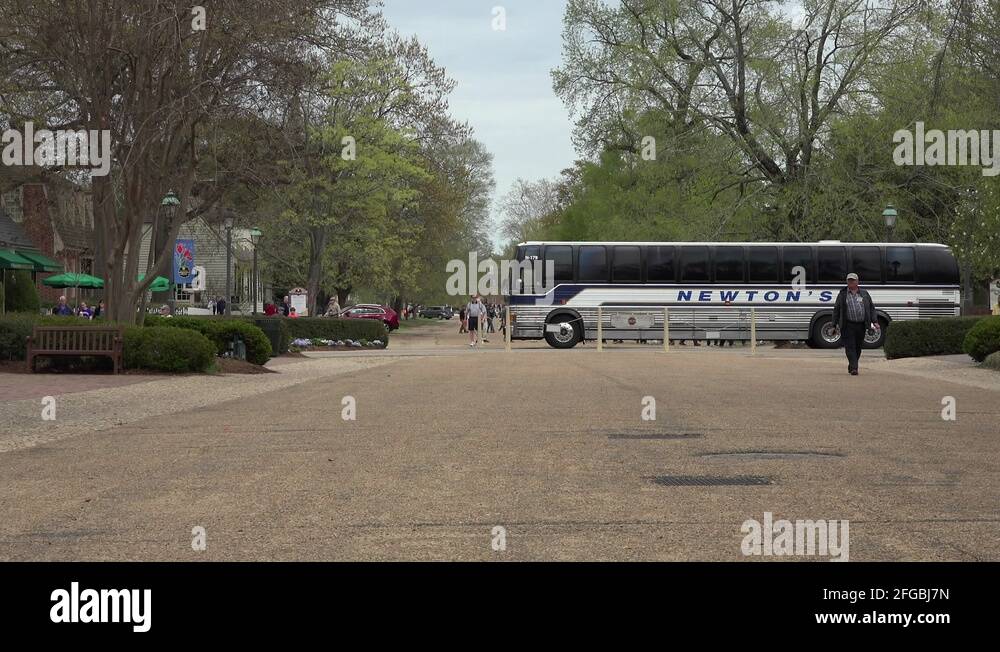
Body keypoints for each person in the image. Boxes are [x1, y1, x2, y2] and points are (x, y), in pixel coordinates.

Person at [830, 272, 879, 376]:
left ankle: (852, 364)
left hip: (861, 325)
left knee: (857, 347)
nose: (851, 282)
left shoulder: (864, 293)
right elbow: (836, 310)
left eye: (853, 280)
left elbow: (871, 308)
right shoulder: (842, 294)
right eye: (849, 280)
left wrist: (875, 321)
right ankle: (854, 368)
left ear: (857, 282)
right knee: (850, 346)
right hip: (847, 325)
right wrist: (833, 324)